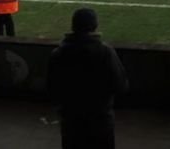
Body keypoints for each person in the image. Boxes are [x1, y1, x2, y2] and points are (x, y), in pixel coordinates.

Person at [47, 8, 128, 149]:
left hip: (71, 121)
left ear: (73, 26)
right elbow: (120, 85)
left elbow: (51, 88)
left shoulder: (58, 54)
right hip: (100, 120)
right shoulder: (105, 52)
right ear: (94, 26)